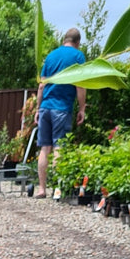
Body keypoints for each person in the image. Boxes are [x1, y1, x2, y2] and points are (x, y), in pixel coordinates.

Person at [33, 28, 86, 198]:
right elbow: (80, 85)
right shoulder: (78, 56)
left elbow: (41, 86)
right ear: (77, 42)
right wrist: (82, 108)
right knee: (59, 147)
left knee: (45, 148)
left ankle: (42, 189)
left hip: (45, 108)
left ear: (64, 40)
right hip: (61, 109)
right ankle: (57, 189)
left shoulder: (51, 56)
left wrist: (37, 109)